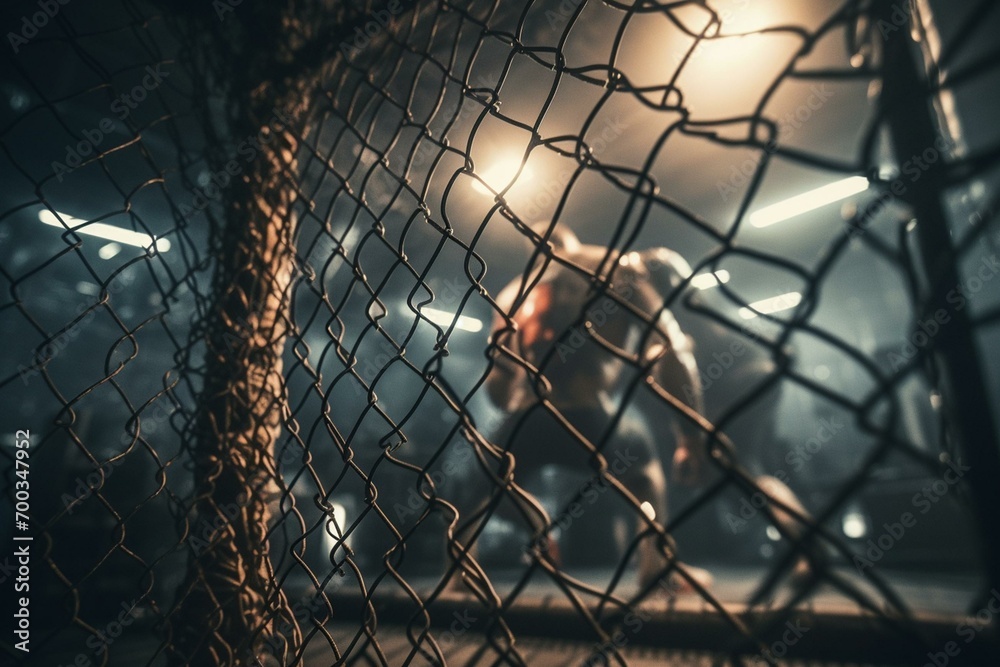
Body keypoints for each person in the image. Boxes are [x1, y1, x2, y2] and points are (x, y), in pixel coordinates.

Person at [476, 222, 713, 593]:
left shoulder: (511, 294)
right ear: (571, 238)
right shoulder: (613, 265)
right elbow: (668, 347)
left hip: (525, 416)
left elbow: (497, 386)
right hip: (588, 411)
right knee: (645, 473)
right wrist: (691, 436)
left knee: (487, 485)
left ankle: (472, 566)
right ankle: (655, 566)